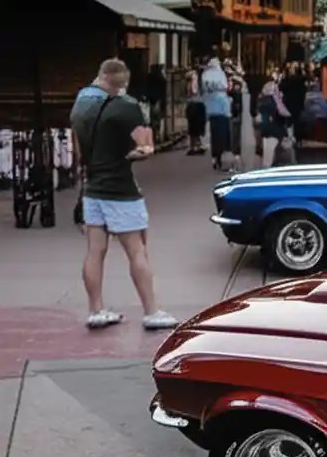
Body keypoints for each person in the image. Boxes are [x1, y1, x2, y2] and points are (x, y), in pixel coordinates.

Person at [69, 59, 177, 330]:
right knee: (137, 251)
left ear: (101, 75)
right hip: (121, 189)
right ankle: (151, 311)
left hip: (93, 189)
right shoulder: (127, 107)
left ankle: (96, 310)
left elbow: (78, 152)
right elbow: (145, 147)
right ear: (123, 83)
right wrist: (132, 153)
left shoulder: (81, 105)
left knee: (95, 252)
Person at [201, 58, 232, 171]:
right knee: (223, 133)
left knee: (214, 134)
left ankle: (215, 156)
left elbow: (205, 88)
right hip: (222, 109)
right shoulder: (220, 74)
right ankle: (222, 155)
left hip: (211, 108)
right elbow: (225, 87)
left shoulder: (205, 74)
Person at [258, 69, 291, 167]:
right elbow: (284, 114)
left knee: (267, 156)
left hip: (267, 131)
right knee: (272, 154)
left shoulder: (263, 102)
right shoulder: (275, 102)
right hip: (275, 131)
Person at [184, 62, 206, 155]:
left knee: (193, 125)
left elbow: (192, 90)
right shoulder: (203, 77)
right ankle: (198, 145)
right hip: (200, 103)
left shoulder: (193, 77)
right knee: (198, 125)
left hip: (194, 103)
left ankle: (194, 146)